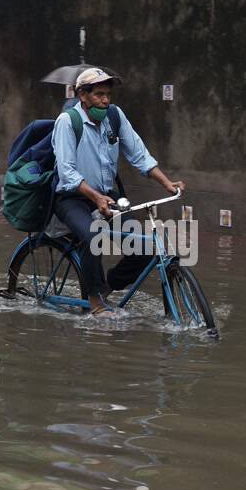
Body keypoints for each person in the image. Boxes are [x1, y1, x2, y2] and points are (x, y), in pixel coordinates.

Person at [52, 68, 185, 317]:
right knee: (93, 238)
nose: (105, 100)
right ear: (83, 95)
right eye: (99, 94)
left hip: (107, 198)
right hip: (72, 198)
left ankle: (105, 287)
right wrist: (95, 197)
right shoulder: (67, 122)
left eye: (108, 95)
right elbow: (66, 172)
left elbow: (138, 153)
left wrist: (166, 183)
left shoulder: (114, 116)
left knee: (144, 249)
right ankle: (95, 303)